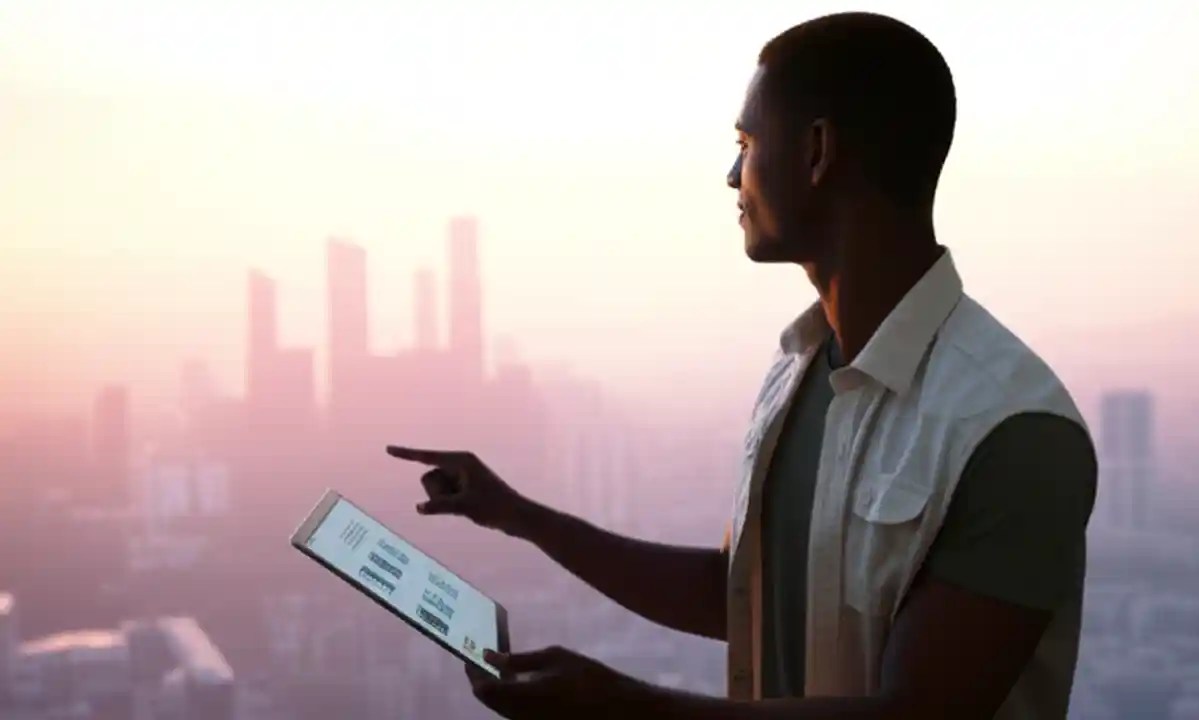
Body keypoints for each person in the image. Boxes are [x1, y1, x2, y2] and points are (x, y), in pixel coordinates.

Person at [388, 11, 1096, 720]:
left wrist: (621, 709)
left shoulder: (1013, 430)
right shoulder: (800, 371)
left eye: (747, 143)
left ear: (817, 151)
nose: (733, 175)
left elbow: (917, 714)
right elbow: (740, 595)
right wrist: (520, 516)